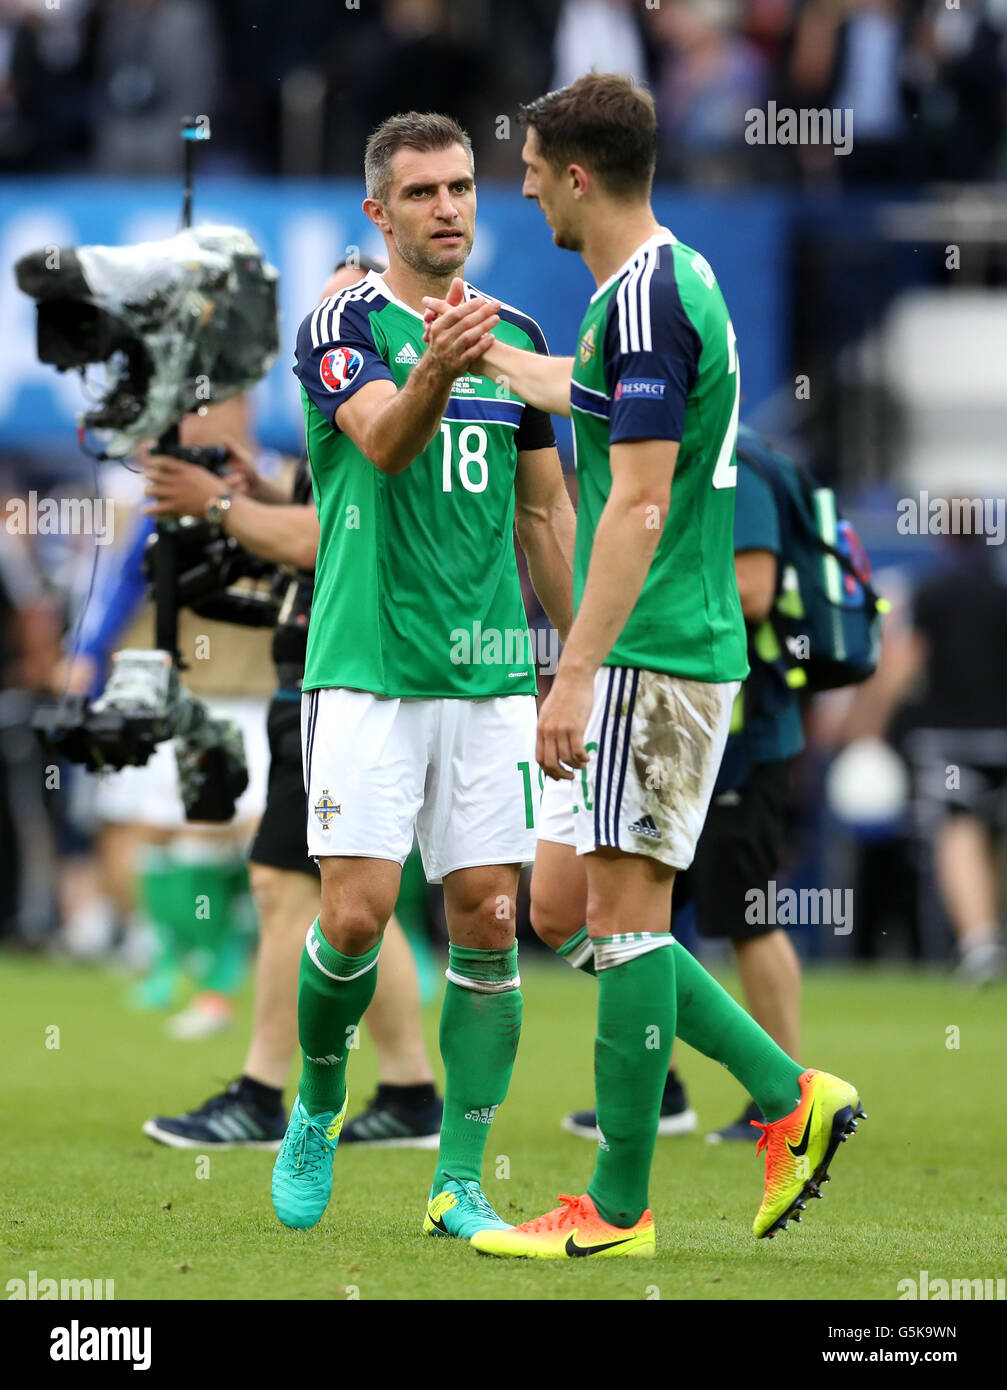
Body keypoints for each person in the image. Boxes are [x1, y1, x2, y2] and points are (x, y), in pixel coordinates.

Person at [424, 73, 863, 1257]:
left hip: (654, 651)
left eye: (526, 171)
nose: (515, 189)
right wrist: (489, 364)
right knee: (565, 905)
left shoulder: (639, 298)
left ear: (576, 174)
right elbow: (604, 406)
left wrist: (571, 672)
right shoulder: (662, 281)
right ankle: (786, 1092)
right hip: (660, 647)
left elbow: (634, 504)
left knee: (623, 924)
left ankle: (616, 1210)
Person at [269, 112, 577, 1239]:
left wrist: (576, 659)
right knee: (352, 919)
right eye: (420, 193)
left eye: (460, 188)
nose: (447, 207)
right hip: (366, 666)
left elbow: (545, 515)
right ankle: (313, 1100)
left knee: (489, 919)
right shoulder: (339, 322)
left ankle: (457, 1179)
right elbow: (385, 446)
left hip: (492, 673)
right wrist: (440, 368)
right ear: (377, 212)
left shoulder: (520, 334)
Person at [140, 260, 446, 1148]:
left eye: (345, 302)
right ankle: (411, 1092)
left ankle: (262, 1096)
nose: (327, 328)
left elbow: (332, 540)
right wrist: (261, 489)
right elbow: (326, 516)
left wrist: (222, 502)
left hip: (343, 670)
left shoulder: (383, 403)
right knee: (343, 895)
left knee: (291, 888)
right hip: (333, 668)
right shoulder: (361, 405)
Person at [557, 428, 806, 1144]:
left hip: (737, 733)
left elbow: (753, 589)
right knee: (634, 912)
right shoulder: (670, 450)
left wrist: (655, 580)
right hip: (681, 720)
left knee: (744, 914)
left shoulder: (738, 462)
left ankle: (781, 1094)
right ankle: (661, 1086)